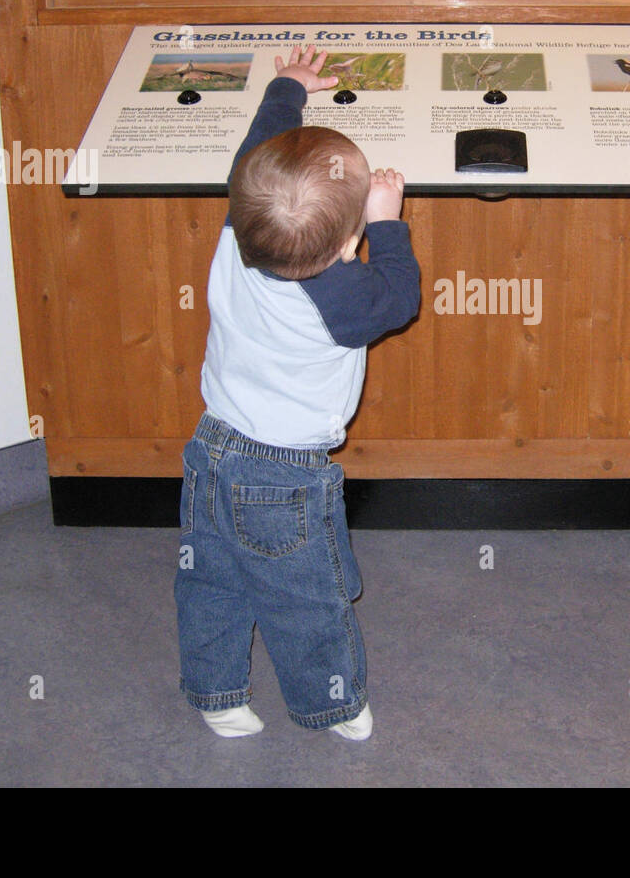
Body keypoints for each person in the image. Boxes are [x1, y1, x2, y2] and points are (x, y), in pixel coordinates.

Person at [175, 45, 420, 741]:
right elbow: (399, 297)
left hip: (211, 447)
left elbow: (253, 156)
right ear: (347, 245)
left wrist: (287, 89)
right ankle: (333, 705)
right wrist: (388, 223)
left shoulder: (237, 230)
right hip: (283, 476)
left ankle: (217, 693)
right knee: (306, 597)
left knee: (211, 582)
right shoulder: (341, 296)